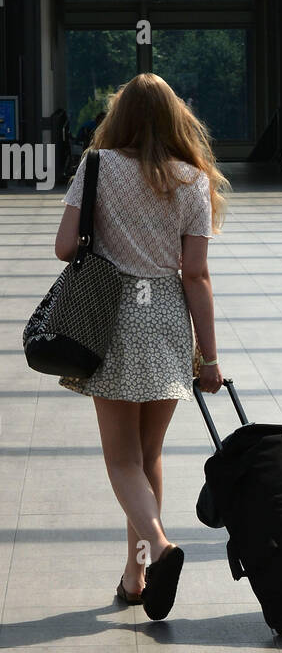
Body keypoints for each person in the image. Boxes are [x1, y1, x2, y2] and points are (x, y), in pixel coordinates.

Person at [54, 73, 227, 620]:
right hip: (168, 322)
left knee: (122, 459)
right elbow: (195, 274)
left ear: (120, 117)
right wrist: (210, 357)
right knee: (149, 456)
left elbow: (64, 247)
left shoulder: (97, 167)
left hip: (109, 320)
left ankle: (161, 545)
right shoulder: (192, 181)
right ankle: (136, 576)